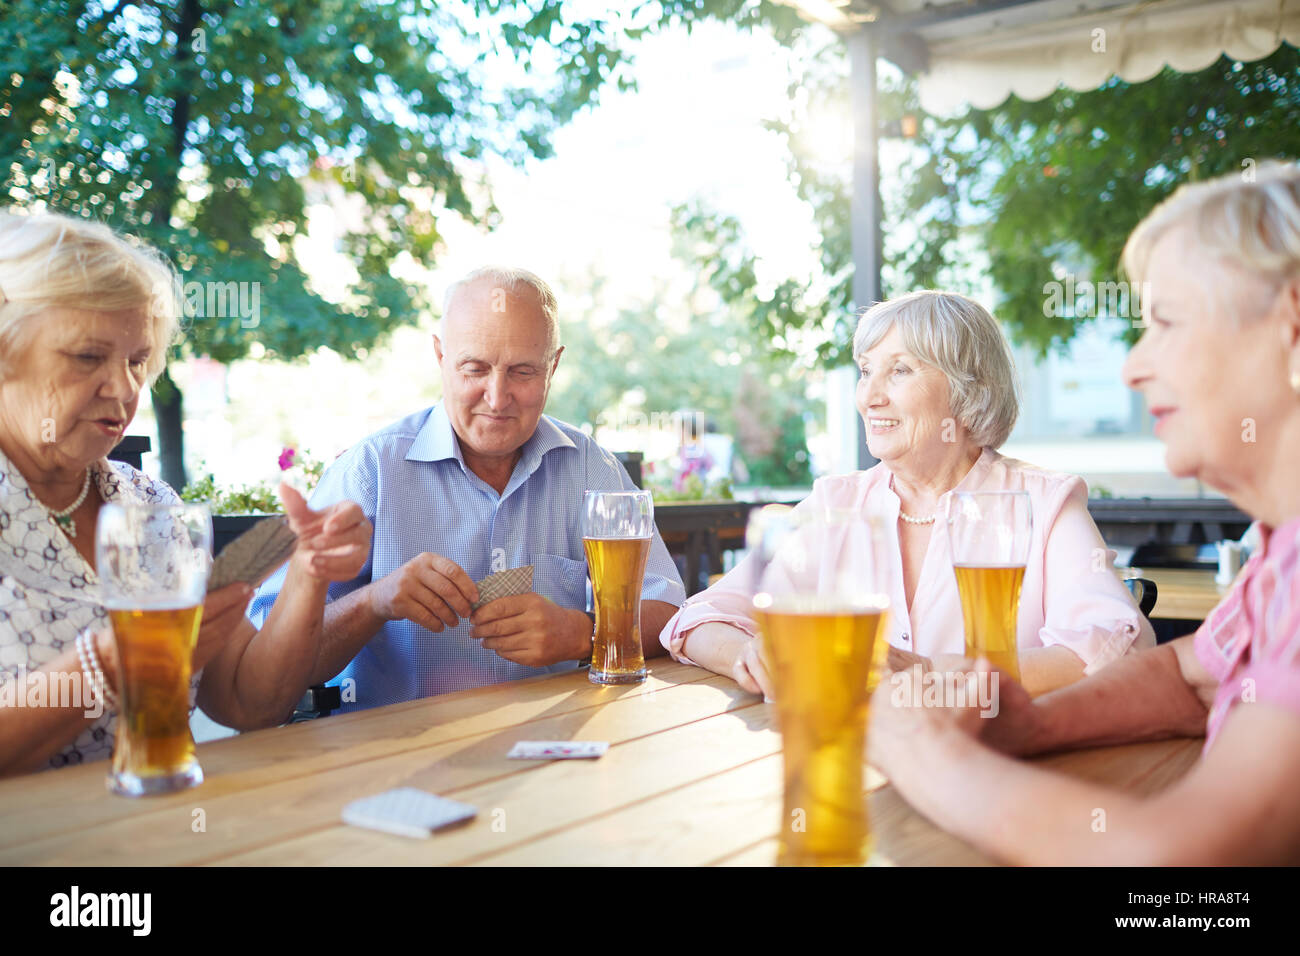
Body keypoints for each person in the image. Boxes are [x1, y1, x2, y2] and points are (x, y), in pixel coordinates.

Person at [868, 163, 1300, 864]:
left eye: (1165, 322)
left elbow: (1181, 882)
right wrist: (1031, 728)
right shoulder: (1283, 550)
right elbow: (1189, 677)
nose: (1132, 367)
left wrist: (921, 752)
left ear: (1292, 326)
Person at [0, 210, 372, 776]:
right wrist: (118, 662)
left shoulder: (149, 507)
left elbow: (251, 700)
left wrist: (310, 571)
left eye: (137, 360)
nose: (125, 388)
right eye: (87, 356)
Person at [660, 290, 1155, 699]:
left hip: (999, 770)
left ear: (968, 389)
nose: (870, 396)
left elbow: (1118, 647)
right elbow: (701, 617)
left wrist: (929, 673)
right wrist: (749, 656)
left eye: (899, 371)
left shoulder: (1044, 502)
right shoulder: (835, 504)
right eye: (865, 370)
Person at [251, 266, 686, 711]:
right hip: (396, 754)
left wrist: (581, 632)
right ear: (441, 357)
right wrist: (373, 602)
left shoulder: (591, 466)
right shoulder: (370, 471)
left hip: (552, 751)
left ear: (553, 366)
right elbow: (268, 659)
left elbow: (670, 610)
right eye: (475, 368)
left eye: (522, 372)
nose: (497, 398)